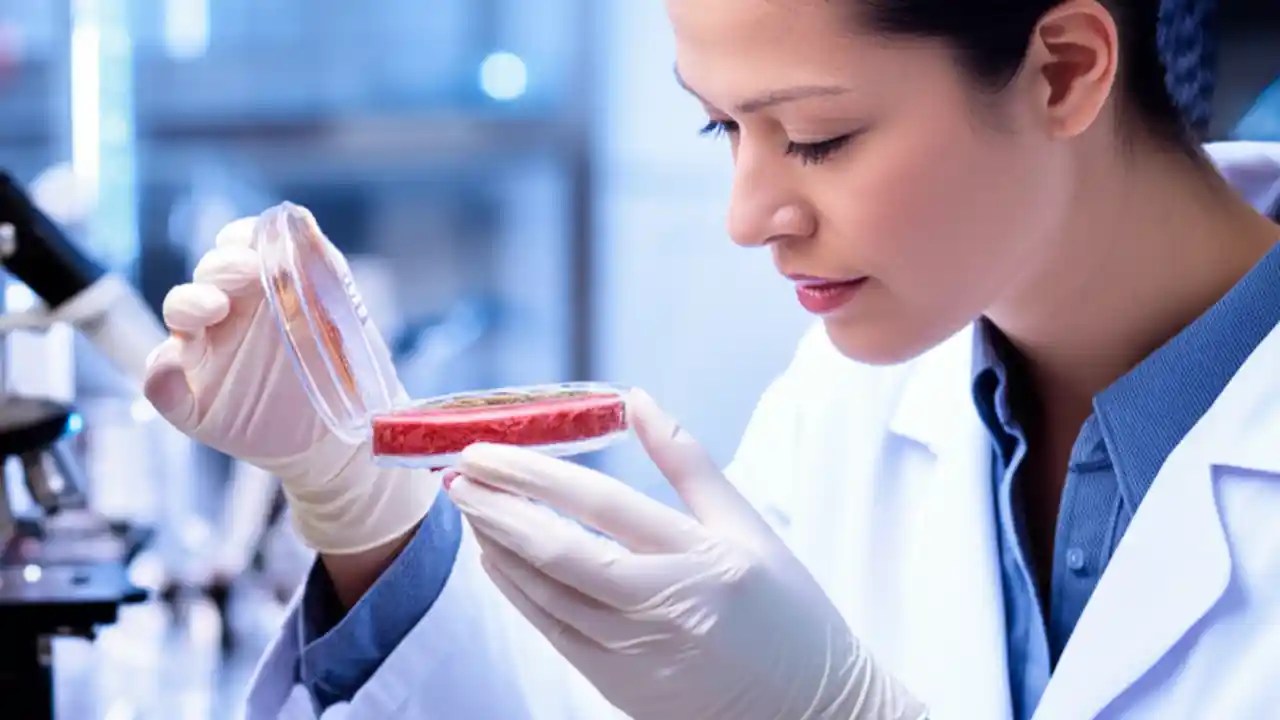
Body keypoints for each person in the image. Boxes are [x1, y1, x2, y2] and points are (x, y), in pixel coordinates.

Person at [143, 0, 1280, 716]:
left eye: (817, 138)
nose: (747, 215)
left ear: (1063, 69)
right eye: (721, 128)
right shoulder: (852, 395)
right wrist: (359, 504)